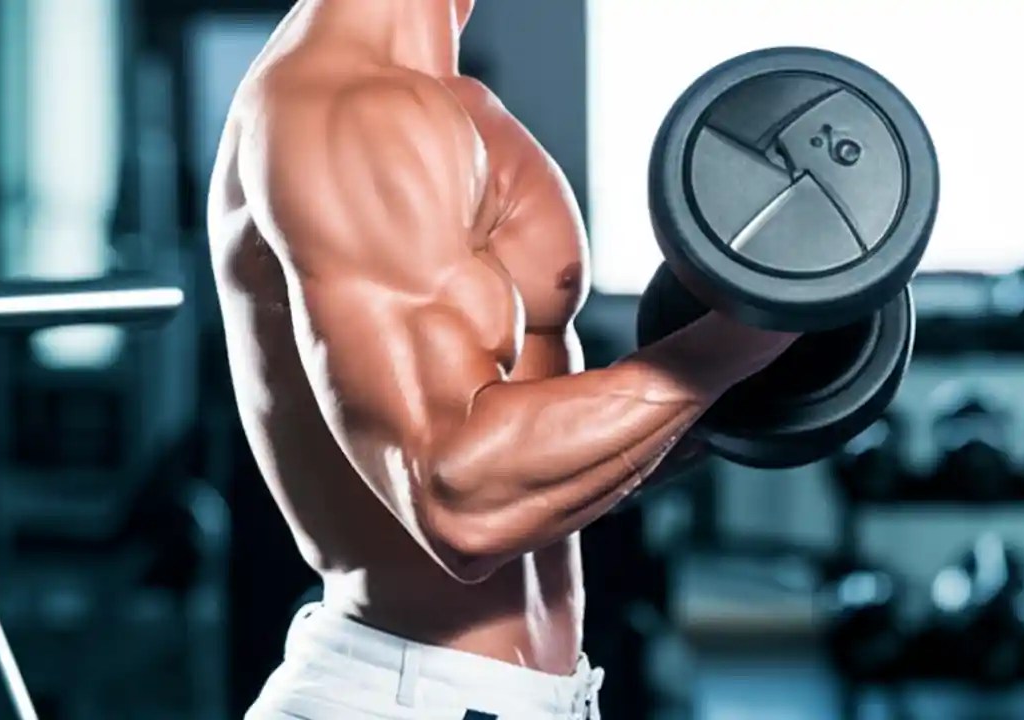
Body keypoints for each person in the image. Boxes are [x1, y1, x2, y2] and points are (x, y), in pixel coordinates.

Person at [206, 1, 798, 717]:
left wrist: (729, 390)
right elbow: (459, 498)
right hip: (408, 699)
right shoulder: (352, 108)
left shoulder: (446, 102)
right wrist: (740, 340)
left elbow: (528, 483)